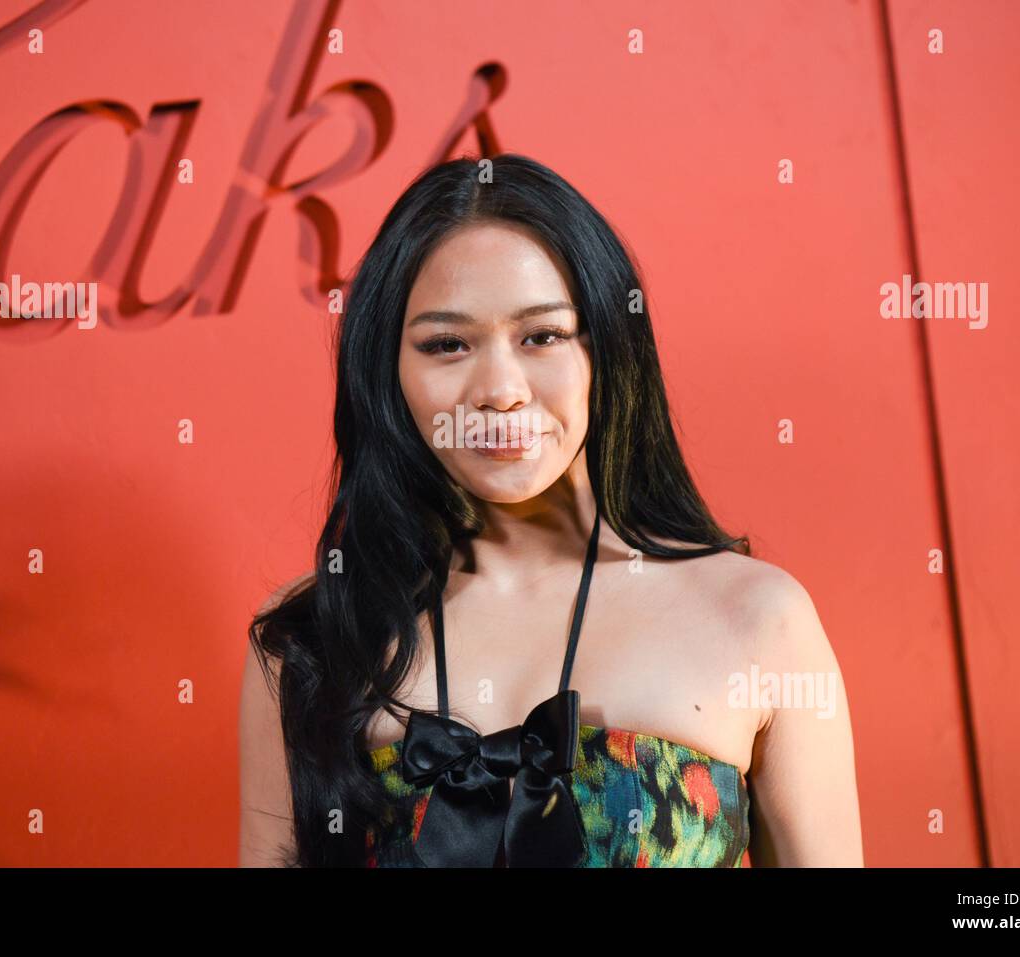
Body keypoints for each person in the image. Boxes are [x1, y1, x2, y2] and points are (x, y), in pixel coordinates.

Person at [239, 153, 863, 867]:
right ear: (388, 372)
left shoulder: (759, 620)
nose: (500, 389)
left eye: (542, 336)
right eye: (446, 344)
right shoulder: (310, 641)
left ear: (609, 348)